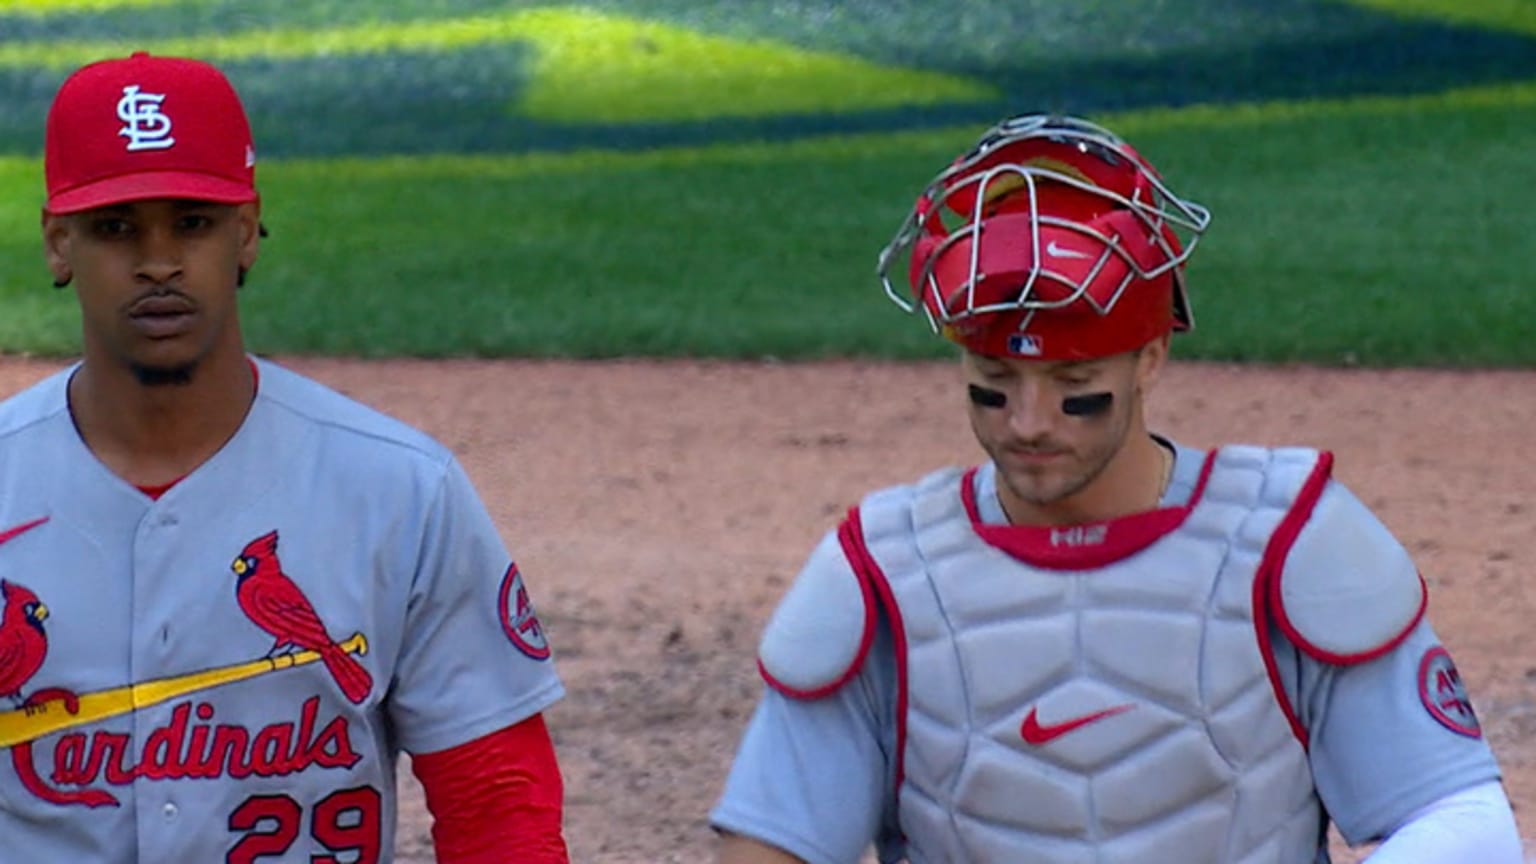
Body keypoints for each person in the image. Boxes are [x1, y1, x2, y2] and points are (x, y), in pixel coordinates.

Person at [710, 114, 1524, 863]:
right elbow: (768, 848)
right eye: (994, 381)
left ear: (1150, 359)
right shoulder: (884, 573)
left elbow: (1462, 826)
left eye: (1075, 384)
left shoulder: (1286, 547)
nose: (1028, 421)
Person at [0, 52, 570, 862]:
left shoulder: (398, 492)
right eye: (116, 227)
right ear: (59, 244)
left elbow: (497, 803)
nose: (158, 261)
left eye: (191, 222)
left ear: (244, 232)